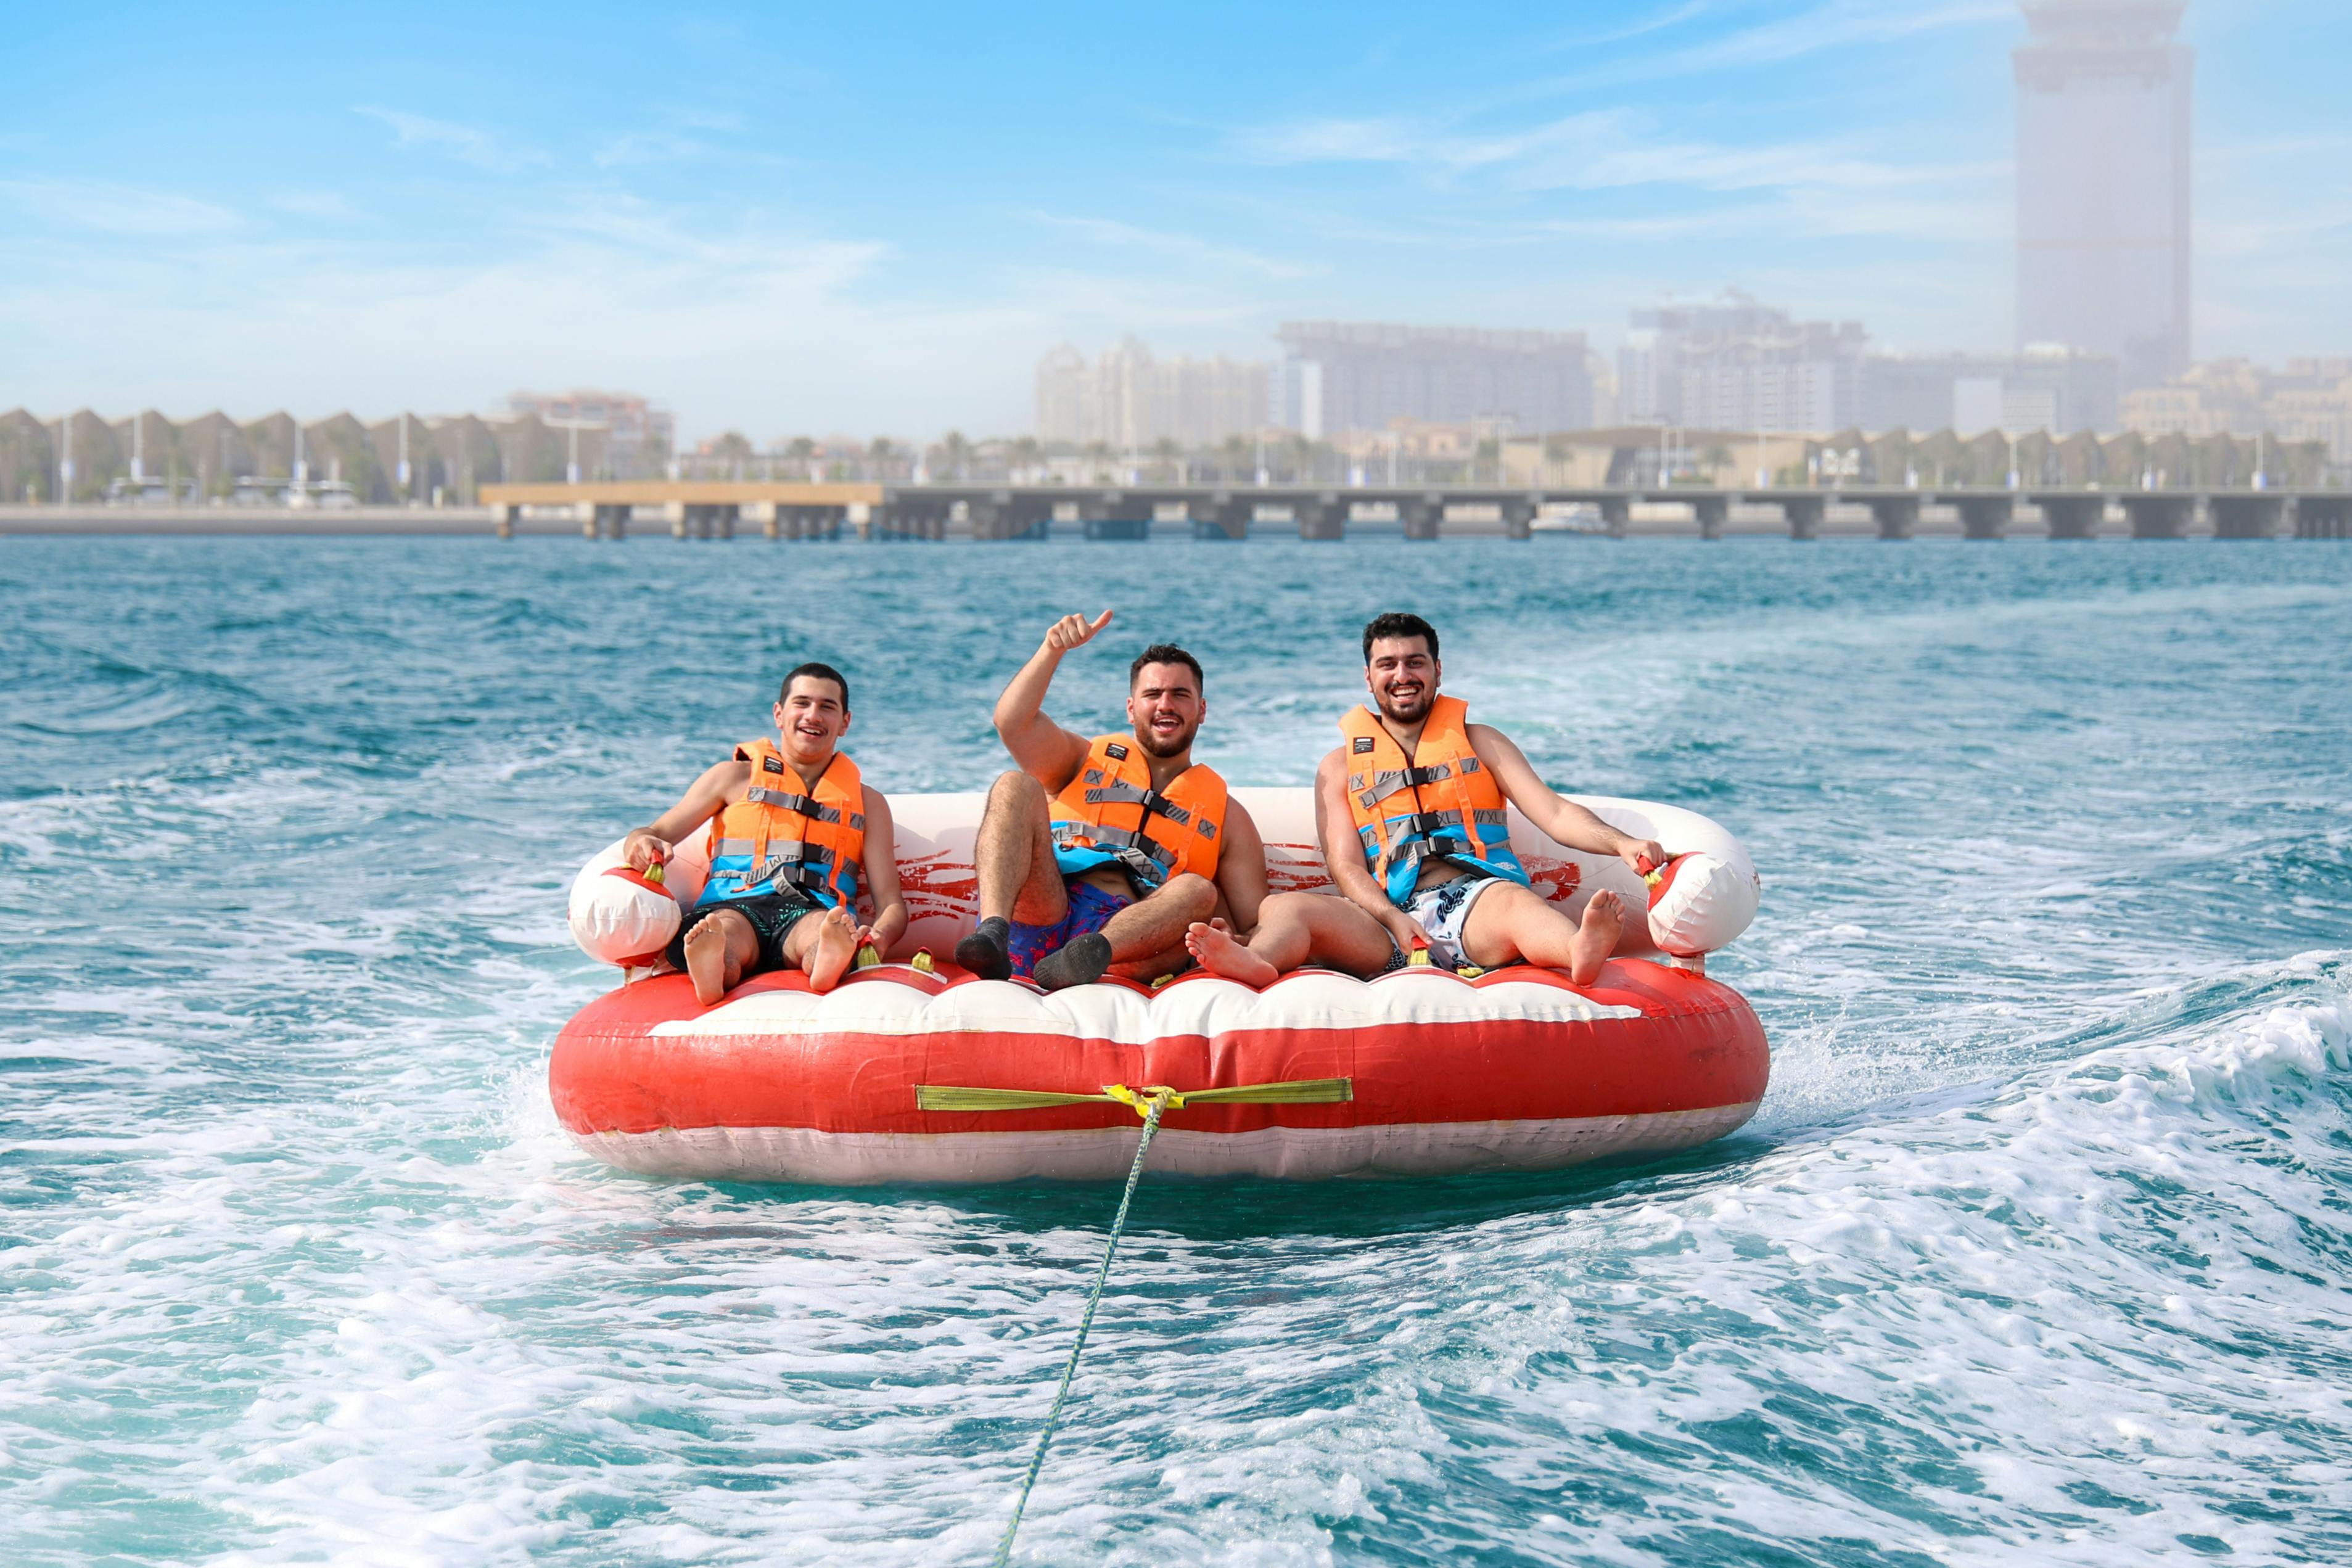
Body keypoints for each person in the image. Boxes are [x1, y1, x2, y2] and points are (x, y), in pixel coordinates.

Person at [1185, 612, 1664, 989]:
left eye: (1415, 662)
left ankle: (1577, 949)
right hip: (1385, 925)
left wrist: (1621, 843)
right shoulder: (1339, 767)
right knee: (1286, 910)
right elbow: (1346, 867)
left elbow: (1555, 812)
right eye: (1387, 665)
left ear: (1437, 670)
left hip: (1477, 900)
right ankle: (1258, 961)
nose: (1402, 675)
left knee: (1517, 903)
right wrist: (1394, 919)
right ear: (1368, 679)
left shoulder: (1481, 741)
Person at [955, 610, 1268, 989]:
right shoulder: (1079, 759)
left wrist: (1231, 939)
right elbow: (1013, 724)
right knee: (1014, 785)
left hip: (1127, 942)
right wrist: (1052, 650)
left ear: (1201, 711)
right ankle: (993, 934)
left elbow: (1253, 923)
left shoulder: (1228, 817)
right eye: (1152, 694)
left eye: (1180, 695)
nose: (1165, 705)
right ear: (1131, 708)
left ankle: (1086, 956)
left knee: (1199, 890)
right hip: (1046, 907)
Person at [622, 663, 906, 1006]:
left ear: (845, 722)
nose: (813, 715)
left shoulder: (868, 804)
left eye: (827, 707)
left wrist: (880, 937)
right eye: (802, 703)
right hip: (734, 904)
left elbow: (891, 902)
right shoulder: (731, 778)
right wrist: (641, 842)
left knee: (823, 931)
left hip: (812, 909)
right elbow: (655, 831)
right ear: (779, 713)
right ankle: (712, 969)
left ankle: (828, 961)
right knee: (724, 931)